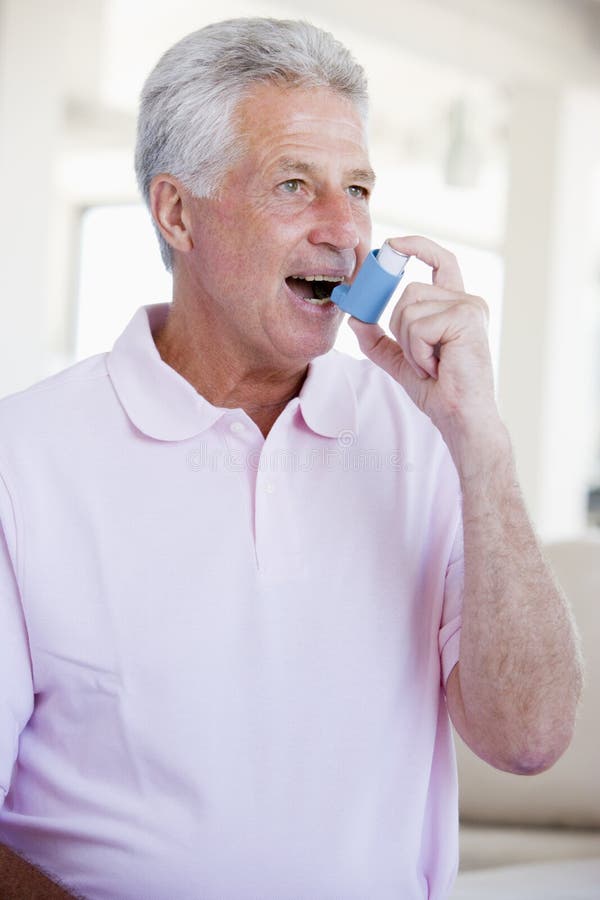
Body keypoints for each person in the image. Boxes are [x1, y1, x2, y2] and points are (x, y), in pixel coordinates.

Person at [0, 17, 583, 900]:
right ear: (177, 213)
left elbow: (531, 739)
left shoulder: (424, 436)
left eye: (359, 187)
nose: (346, 231)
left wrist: (483, 441)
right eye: (294, 184)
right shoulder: (24, 460)